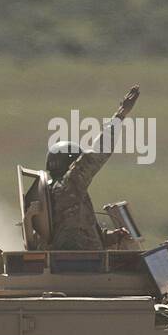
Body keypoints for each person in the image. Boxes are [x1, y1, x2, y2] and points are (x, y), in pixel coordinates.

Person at [44, 86, 140, 250]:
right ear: (72, 164)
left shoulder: (57, 191)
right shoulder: (70, 184)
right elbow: (97, 153)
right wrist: (120, 115)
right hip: (83, 264)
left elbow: (75, 232)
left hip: (77, 258)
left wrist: (110, 237)